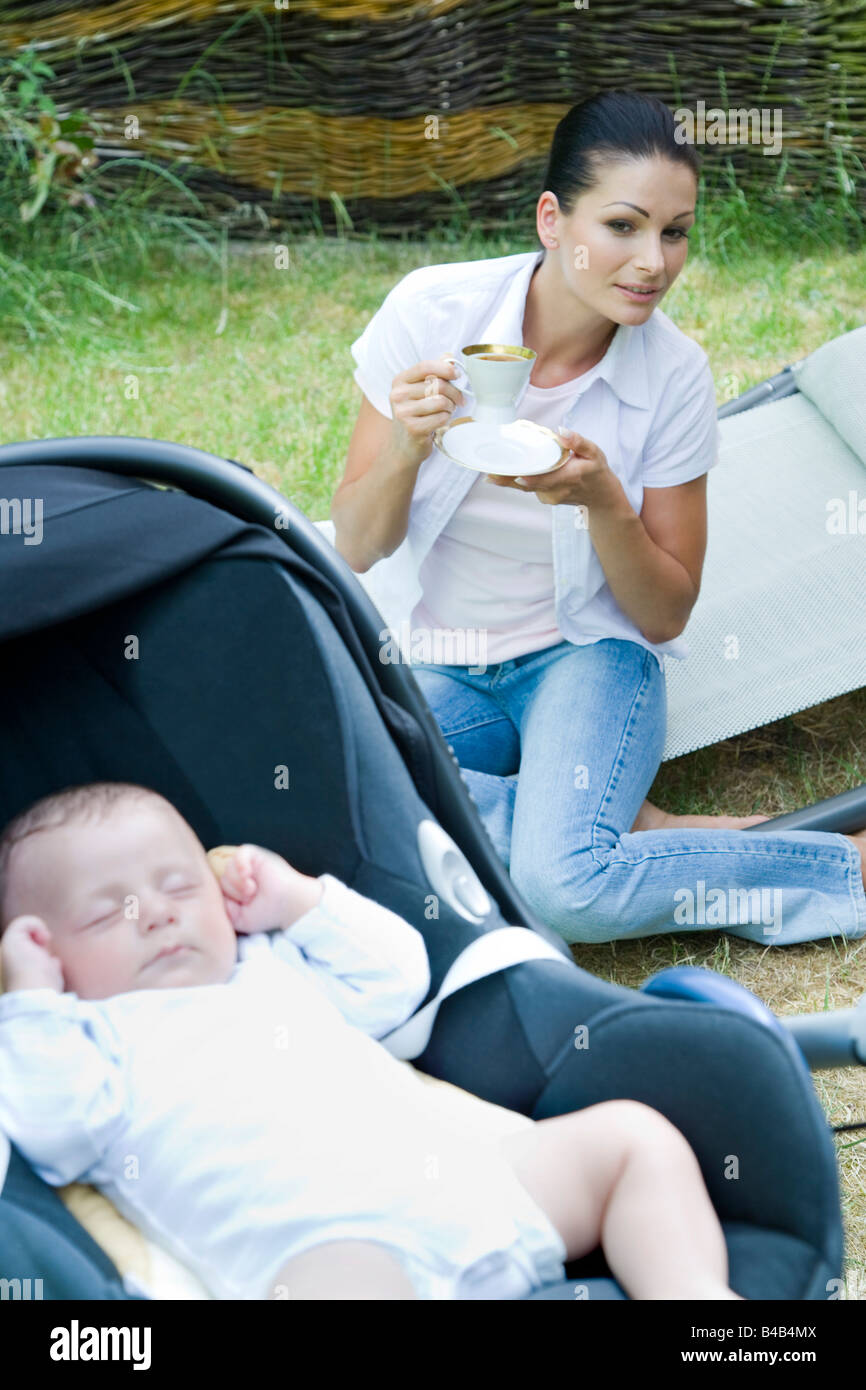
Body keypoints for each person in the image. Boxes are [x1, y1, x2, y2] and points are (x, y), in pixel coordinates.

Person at [331, 88, 866, 947]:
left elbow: (664, 609)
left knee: (567, 891)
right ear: (552, 219)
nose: (654, 260)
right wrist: (405, 446)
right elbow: (357, 542)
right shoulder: (432, 313)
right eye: (623, 225)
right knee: (323, 772)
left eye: (675, 231)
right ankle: (611, 825)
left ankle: (845, 868)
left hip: (586, 662)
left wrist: (605, 502)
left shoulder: (674, 375)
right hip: (443, 657)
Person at [0, 780, 741, 1301]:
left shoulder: (271, 960)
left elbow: (395, 981)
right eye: (108, 915)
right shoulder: (84, 1040)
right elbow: (56, 1130)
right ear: (45, 951)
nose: (157, 914)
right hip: (332, 1254)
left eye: (180, 885)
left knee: (630, 1140)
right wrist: (31, 998)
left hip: (475, 1186)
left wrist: (302, 901)